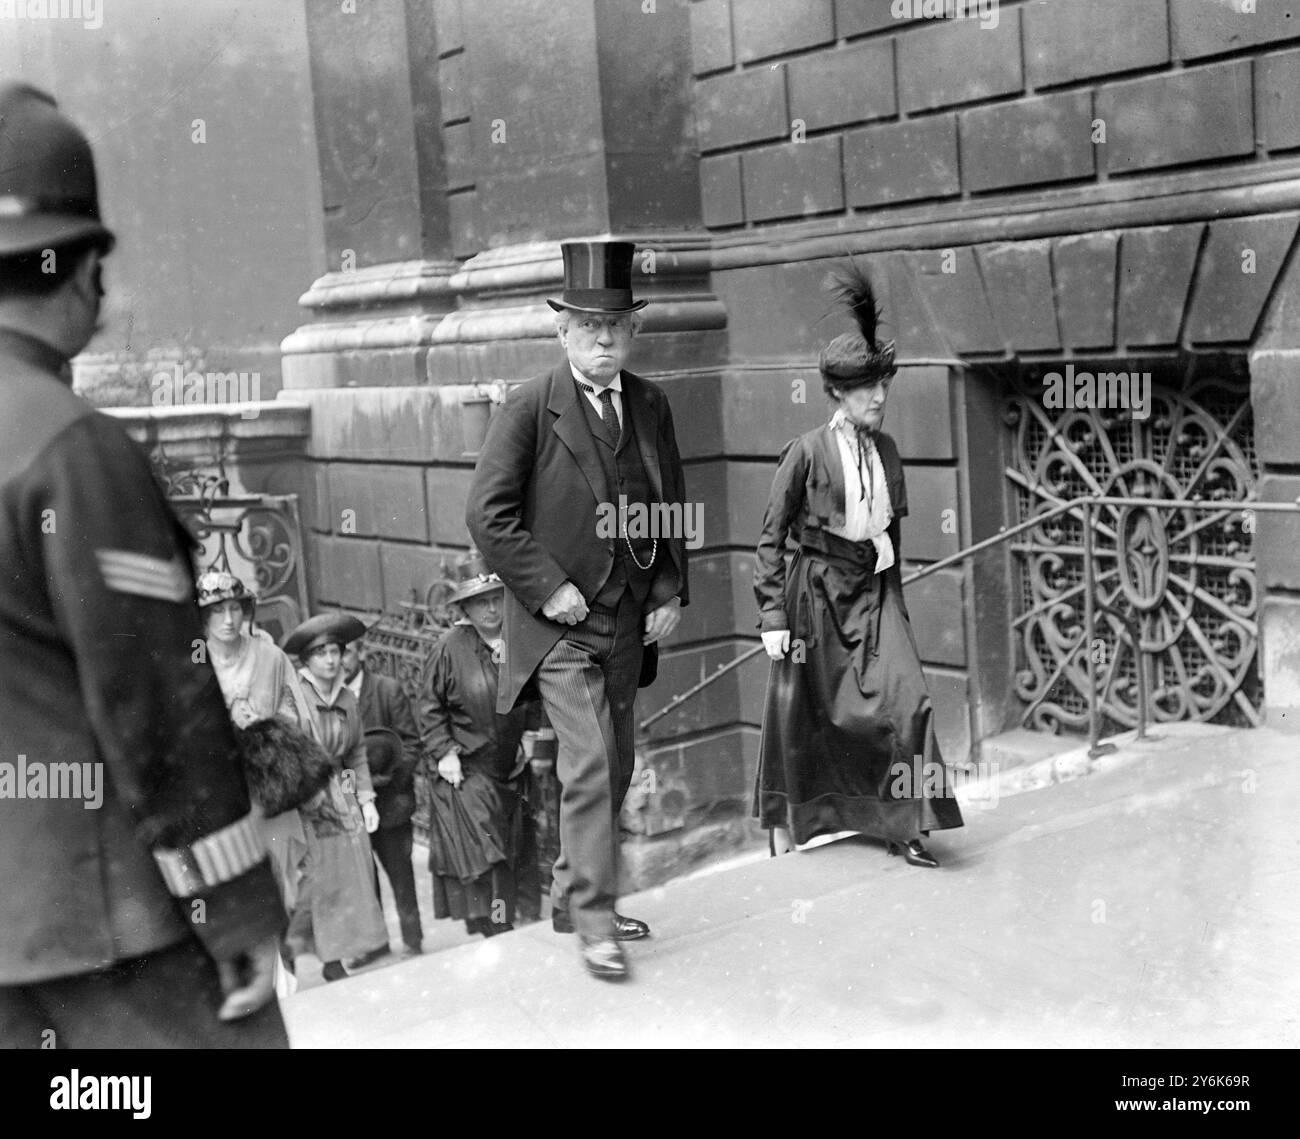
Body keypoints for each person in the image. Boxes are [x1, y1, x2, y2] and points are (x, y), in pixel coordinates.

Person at [0, 83, 286, 1047]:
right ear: (82, 274)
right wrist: (236, 905)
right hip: (116, 933)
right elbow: (158, 700)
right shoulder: (72, 448)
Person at [467, 239, 690, 981]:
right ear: (560, 330)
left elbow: (668, 504)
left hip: (626, 618)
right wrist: (546, 585)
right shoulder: (530, 406)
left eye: (617, 327)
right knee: (590, 761)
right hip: (558, 624)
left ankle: (571, 895)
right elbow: (488, 515)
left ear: (633, 332)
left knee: (616, 762)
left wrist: (666, 590)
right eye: (589, 327)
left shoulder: (650, 403)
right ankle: (596, 922)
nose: (604, 340)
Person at [753, 259, 964, 865]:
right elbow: (770, 537)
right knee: (804, 714)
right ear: (839, 395)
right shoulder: (806, 453)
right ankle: (793, 825)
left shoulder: (889, 451)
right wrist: (772, 615)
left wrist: (892, 605)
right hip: (814, 597)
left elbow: (892, 531)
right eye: (867, 388)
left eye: (884, 386)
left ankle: (910, 827)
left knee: (910, 701)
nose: (879, 397)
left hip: (872, 596)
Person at [421, 551, 542, 938]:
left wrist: (528, 734)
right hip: (470, 766)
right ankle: (497, 925)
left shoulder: (519, 641)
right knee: (489, 852)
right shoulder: (449, 648)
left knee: (515, 844)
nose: (491, 609)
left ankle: (507, 918)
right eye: (480, 602)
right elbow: (429, 707)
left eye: (496, 599)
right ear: (466, 609)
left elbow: (536, 695)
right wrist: (444, 752)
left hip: (510, 765)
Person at [282, 613, 388, 982]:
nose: (330, 660)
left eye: (335, 652)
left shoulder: (346, 697)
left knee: (351, 875)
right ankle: (308, 953)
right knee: (318, 879)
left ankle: (341, 954)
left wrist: (366, 797)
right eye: (321, 653)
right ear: (306, 661)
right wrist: (304, 799)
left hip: (342, 791)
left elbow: (356, 750)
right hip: (307, 797)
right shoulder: (294, 697)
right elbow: (287, 755)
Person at [199, 570, 311, 915]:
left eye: (235, 608)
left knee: (280, 883)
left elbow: (298, 718)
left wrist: (266, 730)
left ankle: (284, 961)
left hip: (267, 787)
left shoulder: (269, 657)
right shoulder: (192, 660)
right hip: (218, 789)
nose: (229, 620)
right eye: (218, 611)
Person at [341, 636, 425, 958]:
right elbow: (336, 758)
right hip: (352, 806)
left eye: (345, 651)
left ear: (361, 653)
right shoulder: (328, 698)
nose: (339, 661)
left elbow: (411, 743)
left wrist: (385, 780)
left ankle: (412, 938)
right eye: (331, 653)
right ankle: (373, 945)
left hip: (390, 802)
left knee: (400, 873)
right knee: (363, 879)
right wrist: (352, 793)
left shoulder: (387, 690)